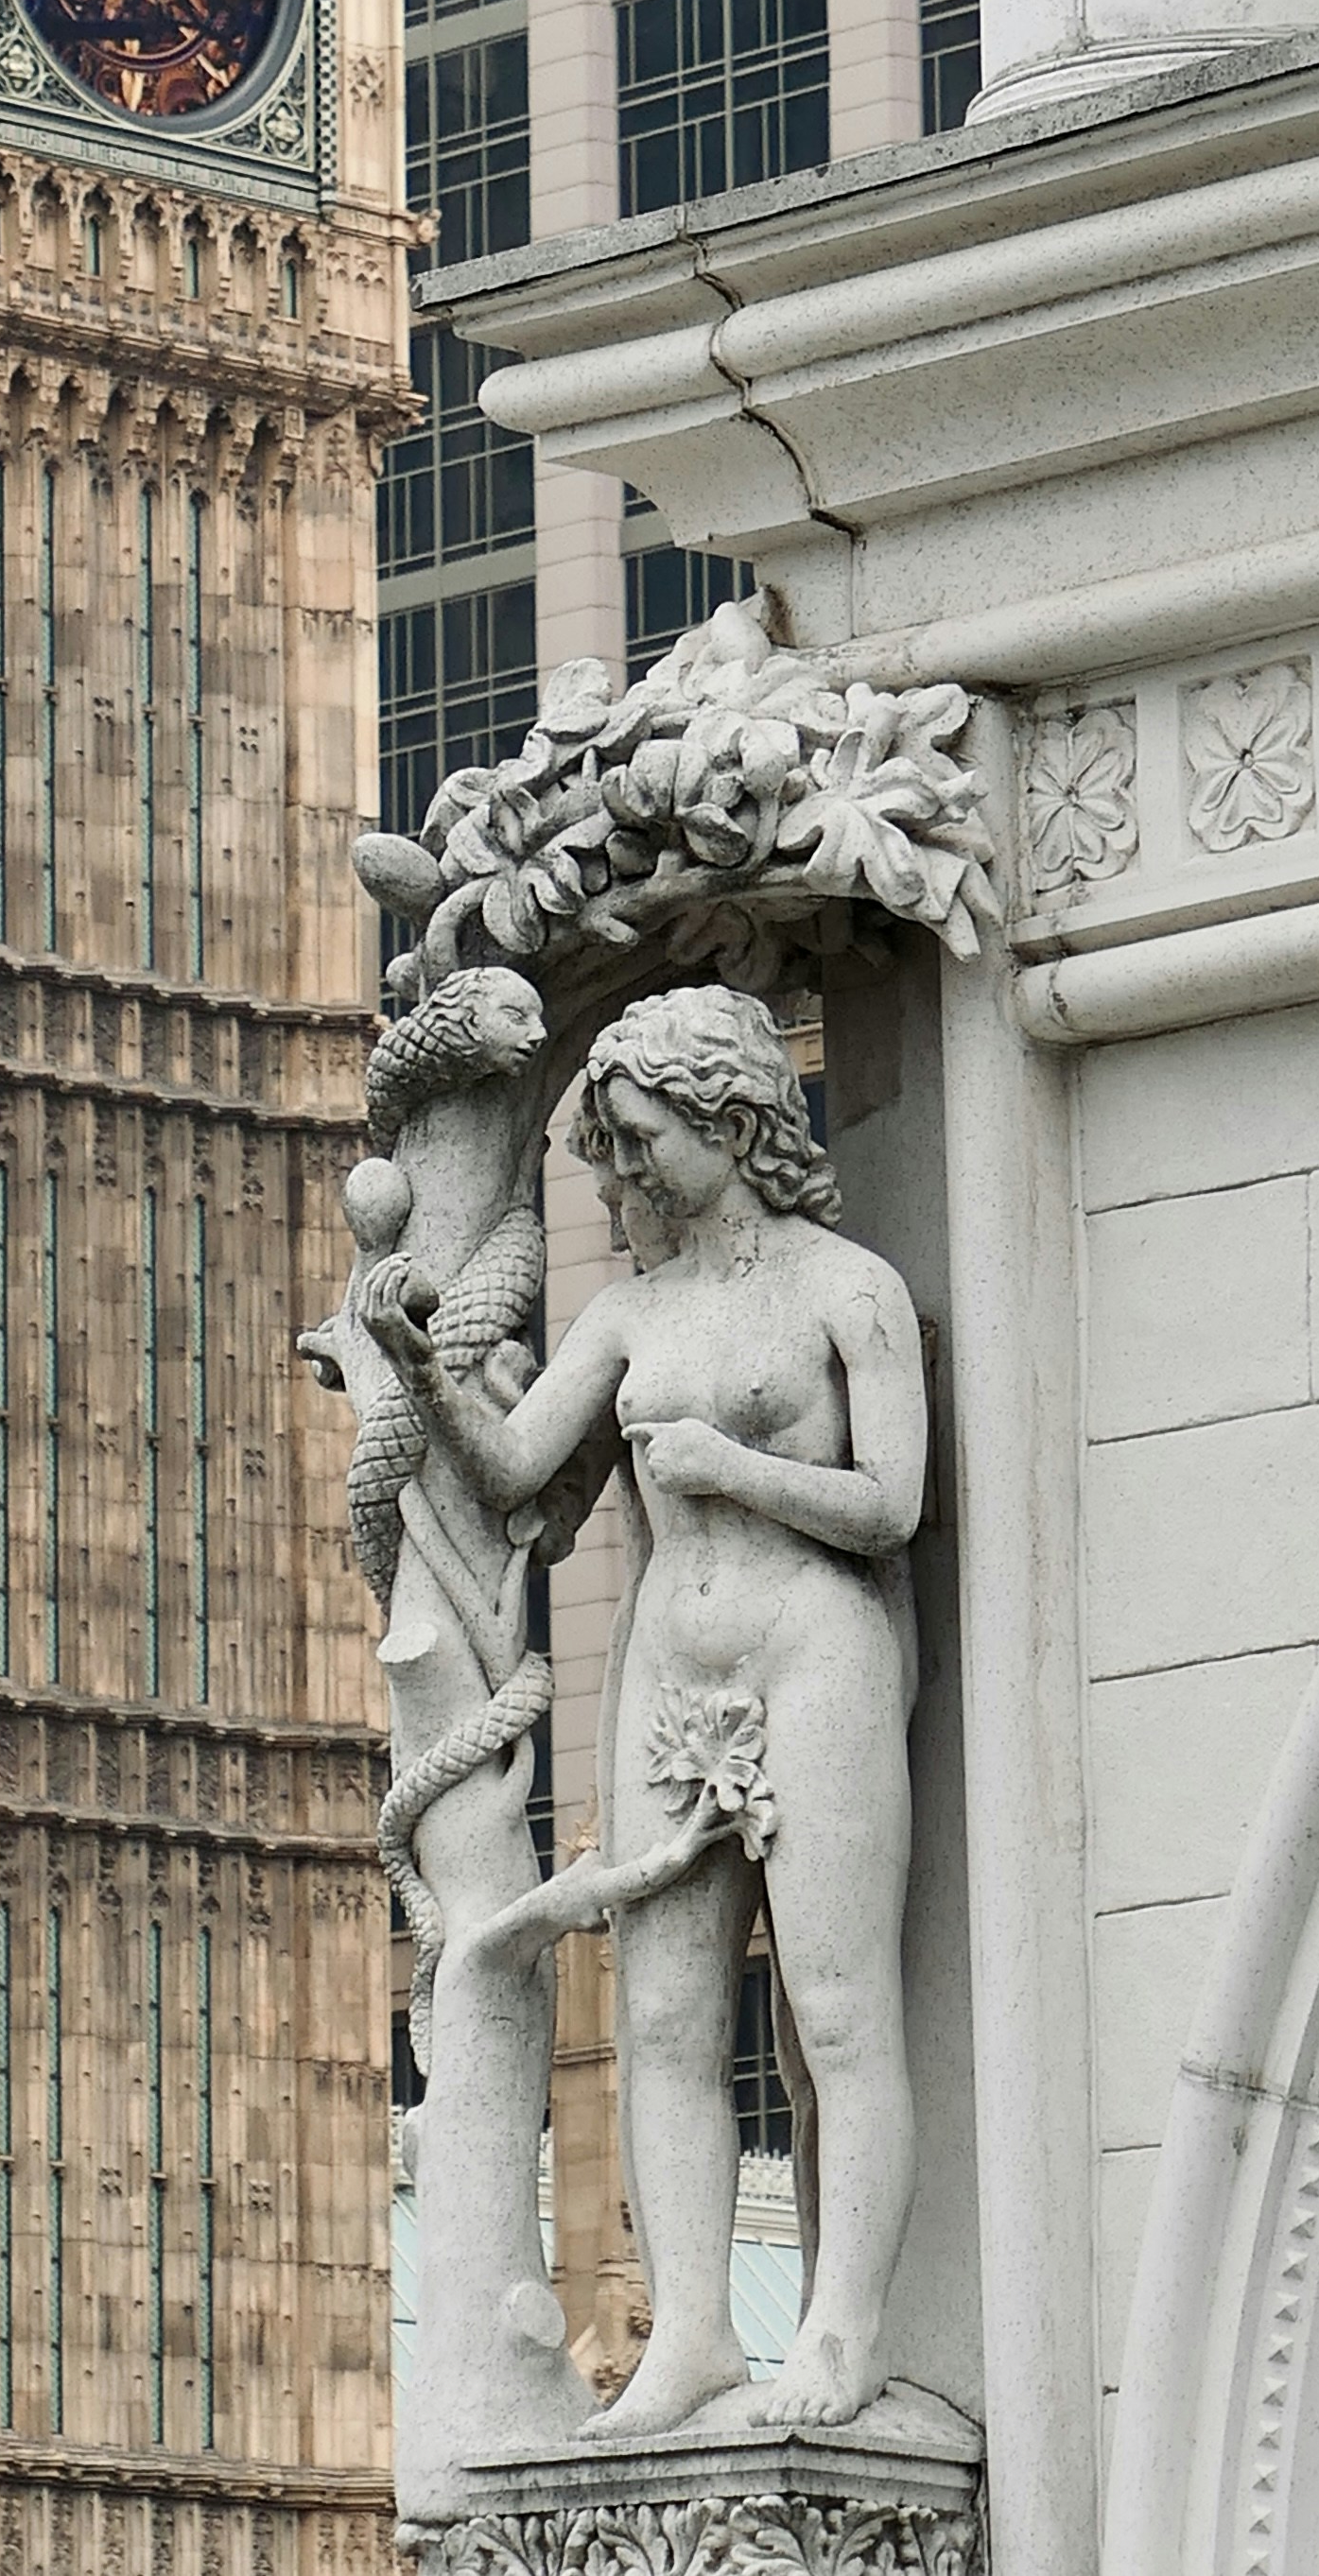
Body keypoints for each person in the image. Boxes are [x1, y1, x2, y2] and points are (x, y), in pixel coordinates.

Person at [364, 983, 925, 2440]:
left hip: (814, 1655)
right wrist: (416, 1359)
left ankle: (842, 2320)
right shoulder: (622, 1310)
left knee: (835, 2006)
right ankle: (690, 2333)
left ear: (730, 1121)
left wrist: (730, 1470)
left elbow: (893, 1503)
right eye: (602, 1148)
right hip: (665, 1673)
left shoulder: (842, 1288)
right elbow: (509, 1469)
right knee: (663, 2015)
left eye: (637, 1140)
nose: (615, 1175)